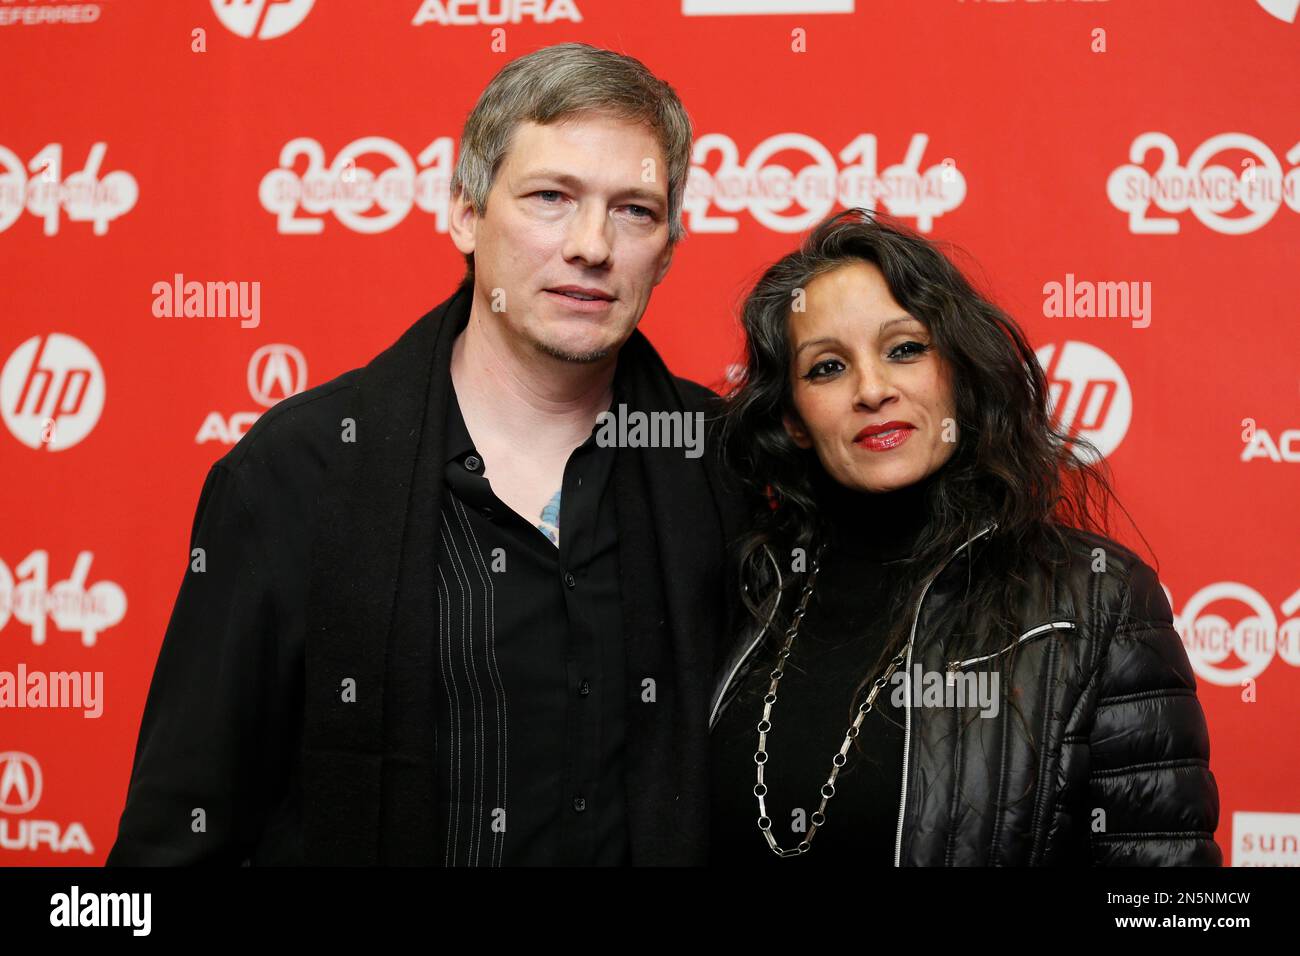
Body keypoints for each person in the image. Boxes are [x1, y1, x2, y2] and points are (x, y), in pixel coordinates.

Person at [107, 42, 743, 867]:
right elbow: (178, 835)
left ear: (669, 247)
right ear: (465, 213)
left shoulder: (724, 467)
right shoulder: (298, 470)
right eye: (551, 196)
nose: (593, 244)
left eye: (635, 210)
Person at [708, 207, 1221, 865]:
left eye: (905, 349)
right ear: (794, 418)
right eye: (828, 368)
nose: (872, 390)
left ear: (959, 371)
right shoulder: (749, 589)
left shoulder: (1096, 602)